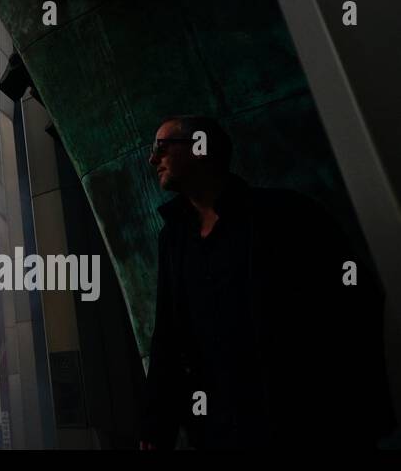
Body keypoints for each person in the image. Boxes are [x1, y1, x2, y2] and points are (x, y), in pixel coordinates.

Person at [140, 115, 394, 450]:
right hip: (223, 430)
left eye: (162, 146)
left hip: (304, 426)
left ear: (200, 147)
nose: (152, 158)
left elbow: (357, 303)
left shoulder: (287, 215)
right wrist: (157, 427)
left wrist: (352, 411)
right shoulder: (173, 239)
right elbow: (169, 337)